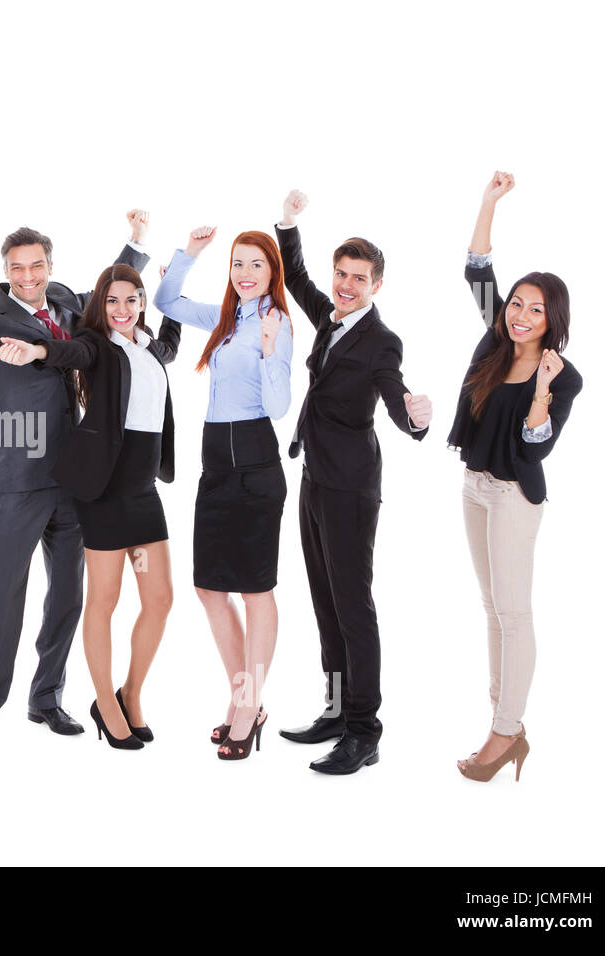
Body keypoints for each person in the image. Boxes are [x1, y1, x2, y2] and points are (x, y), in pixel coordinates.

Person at [0, 212, 152, 744]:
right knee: (3, 592)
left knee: (67, 594)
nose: (28, 276)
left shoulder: (65, 304)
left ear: (50, 266)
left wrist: (136, 244)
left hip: (74, 474)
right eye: (18, 267)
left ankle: (48, 696)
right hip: (17, 473)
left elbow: (110, 295)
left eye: (37, 265)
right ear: (6, 270)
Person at [273, 189, 433, 775]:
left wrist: (414, 415)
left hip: (350, 489)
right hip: (315, 478)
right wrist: (288, 223)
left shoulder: (380, 341)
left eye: (357, 278)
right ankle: (337, 712)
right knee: (324, 600)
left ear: (376, 285)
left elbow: (395, 396)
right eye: (341, 274)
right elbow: (295, 277)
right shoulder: (332, 319)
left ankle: (365, 732)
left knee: (353, 608)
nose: (344, 285)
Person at [0, 263, 179, 750]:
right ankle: (105, 701)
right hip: (105, 494)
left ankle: (129, 693)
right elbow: (69, 350)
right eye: (112, 301)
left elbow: (173, 337)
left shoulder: (148, 347)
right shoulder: (98, 345)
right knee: (105, 599)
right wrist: (37, 349)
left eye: (131, 300)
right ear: (101, 305)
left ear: (141, 302)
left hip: (143, 495)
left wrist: (179, 270)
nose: (122, 309)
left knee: (159, 598)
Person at [449, 171, 581, 782]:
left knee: (514, 611)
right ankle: (503, 720)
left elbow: (537, 447)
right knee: (489, 606)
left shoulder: (563, 375)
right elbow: (478, 269)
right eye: (517, 303)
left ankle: (506, 731)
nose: (522, 314)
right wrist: (487, 202)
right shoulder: (495, 341)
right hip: (474, 486)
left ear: (554, 319)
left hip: (515, 496)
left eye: (536, 309)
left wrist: (544, 391)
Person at [153, 227, 294, 760]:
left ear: (271, 271)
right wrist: (189, 253)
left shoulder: (275, 323)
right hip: (214, 461)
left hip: (256, 460)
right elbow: (167, 300)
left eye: (256, 265)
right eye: (238, 264)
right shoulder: (223, 318)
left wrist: (263, 353)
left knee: (255, 590)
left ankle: (247, 702)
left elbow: (279, 408)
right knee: (210, 587)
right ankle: (245, 698)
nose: (245, 273)